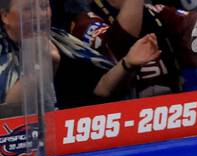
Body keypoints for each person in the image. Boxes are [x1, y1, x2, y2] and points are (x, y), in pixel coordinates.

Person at [0, 0, 159, 112]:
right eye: (28, 9)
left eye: (44, 7)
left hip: (76, 139)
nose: (39, 14)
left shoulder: (64, 42)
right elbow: (10, 109)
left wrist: (128, 63)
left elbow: (101, 88)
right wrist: (44, 66)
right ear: (5, 15)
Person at [73, 0, 197, 97]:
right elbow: (119, 44)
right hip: (123, 124)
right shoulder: (84, 22)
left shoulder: (157, 13)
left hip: (176, 113)